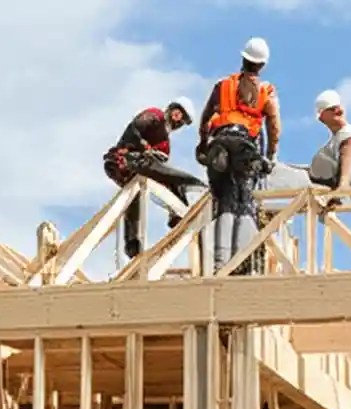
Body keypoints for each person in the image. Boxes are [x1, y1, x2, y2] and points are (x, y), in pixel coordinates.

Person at [196, 37, 282, 274]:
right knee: (245, 204)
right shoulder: (266, 91)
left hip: (220, 144)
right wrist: (271, 155)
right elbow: (274, 127)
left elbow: (205, 119)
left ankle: (220, 264)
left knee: (224, 204)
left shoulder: (223, 85)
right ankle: (241, 264)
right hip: (245, 148)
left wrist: (203, 143)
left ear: (243, 58)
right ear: (262, 65)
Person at [102, 97, 204, 259]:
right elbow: (132, 131)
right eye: (178, 115)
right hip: (122, 161)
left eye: (182, 120)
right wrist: (145, 148)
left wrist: (173, 203)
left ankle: (134, 244)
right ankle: (193, 187)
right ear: (171, 109)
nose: (178, 121)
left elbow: (161, 172)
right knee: (163, 175)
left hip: (136, 172)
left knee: (135, 194)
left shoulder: (165, 144)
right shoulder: (154, 116)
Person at [308, 89, 351, 192]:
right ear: (321, 118)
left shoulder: (348, 132)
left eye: (338, 107)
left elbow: (350, 151)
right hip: (319, 188)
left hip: (330, 187)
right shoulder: (333, 142)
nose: (337, 110)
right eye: (332, 108)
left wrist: (344, 185)